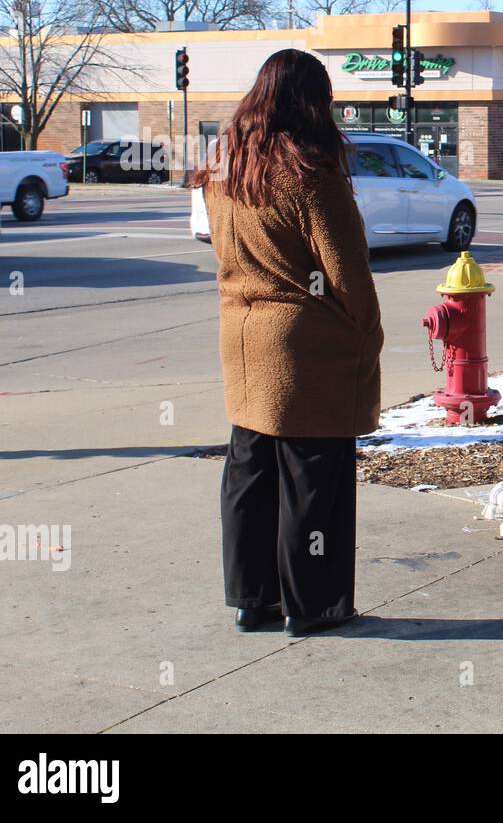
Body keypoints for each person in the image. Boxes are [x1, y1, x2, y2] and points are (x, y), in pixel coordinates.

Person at [194, 49, 384, 636]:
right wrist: (367, 330)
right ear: (312, 103)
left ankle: (255, 600)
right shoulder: (308, 170)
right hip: (304, 344)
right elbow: (347, 270)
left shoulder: (224, 163)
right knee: (313, 475)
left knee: (250, 468)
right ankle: (314, 604)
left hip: (240, 332)